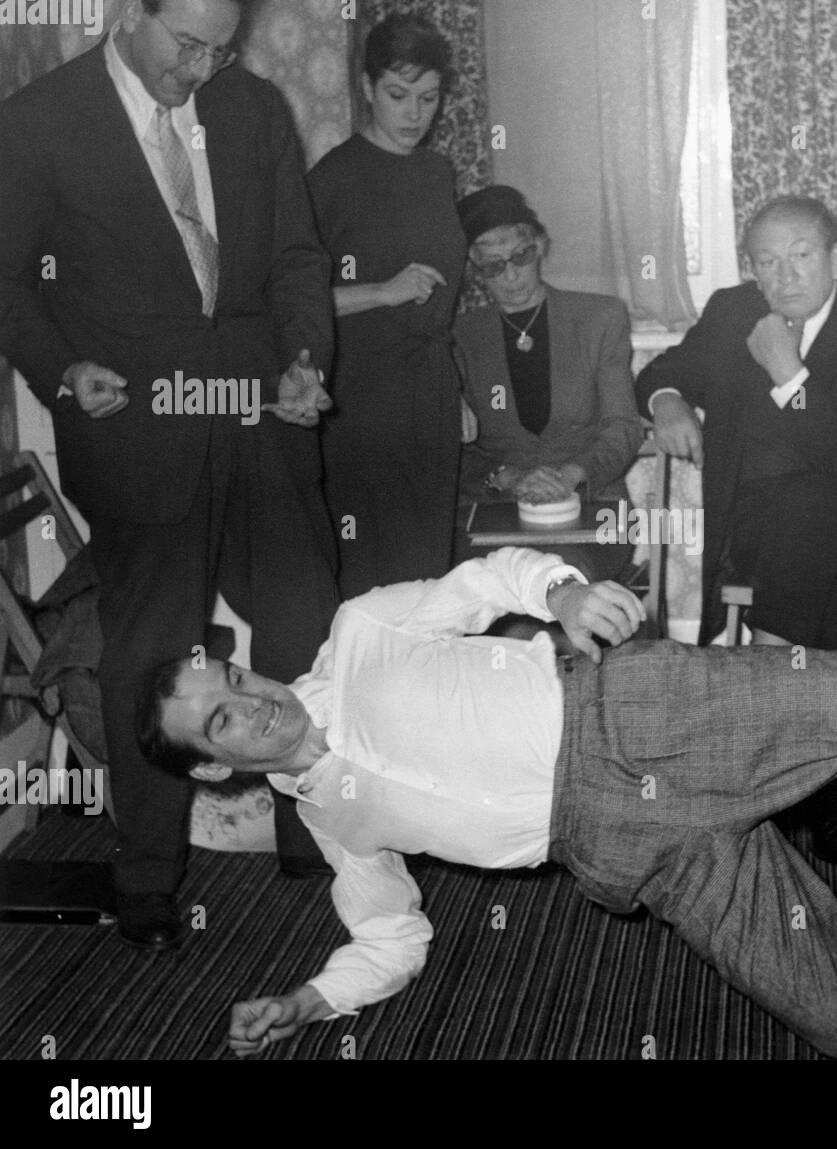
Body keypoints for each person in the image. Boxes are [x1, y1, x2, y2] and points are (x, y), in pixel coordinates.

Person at [137, 546, 837, 1059]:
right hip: (622, 849)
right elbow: (391, 938)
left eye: (233, 671)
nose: (254, 698)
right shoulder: (330, 825)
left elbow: (487, 578)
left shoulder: (361, 630)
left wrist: (563, 588)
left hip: (635, 715)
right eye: (223, 719)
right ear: (214, 770)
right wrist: (309, 999)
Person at [0, 0, 340, 950]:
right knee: (148, 654)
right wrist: (60, 369)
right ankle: (145, 874)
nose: (201, 67)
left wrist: (307, 355)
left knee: (305, 619)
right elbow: (6, 280)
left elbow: (299, 258)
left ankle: (311, 831)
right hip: (138, 428)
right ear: (125, 13)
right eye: (185, 43)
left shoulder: (255, 108)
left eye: (219, 48)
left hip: (263, 413)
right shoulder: (37, 121)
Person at [633, 193, 837, 863]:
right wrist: (667, 404)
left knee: (824, 507)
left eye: (802, 256)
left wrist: (788, 369)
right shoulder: (730, 311)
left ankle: (776, 746)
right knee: (808, 517)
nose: (784, 276)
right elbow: (665, 371)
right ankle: (825, 775)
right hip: (758, 527)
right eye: (766, 262)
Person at [307, 14, 467, 600]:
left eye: (428, 98)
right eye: (398, 96)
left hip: (428, 394)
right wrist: (380, 291)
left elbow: (441, 304)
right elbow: (285, 302)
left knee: (430, 571)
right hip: (361, 402)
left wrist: (456, 388)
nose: (414, 114)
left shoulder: (436, 171)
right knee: (375, 577)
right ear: (368, 87)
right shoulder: (334, 179)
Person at [454, 185, 642, 582]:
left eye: (520, 256)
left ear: (539, 246)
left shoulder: (599, 318)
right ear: (473, 270)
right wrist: (509, 477)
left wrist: (572, 474)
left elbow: (622, 427)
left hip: (592, 507)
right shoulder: (458, 338)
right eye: (492, 266)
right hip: (495, 512)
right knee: (478, 588)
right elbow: (453, 450)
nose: (510, 275)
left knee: (560, 577)